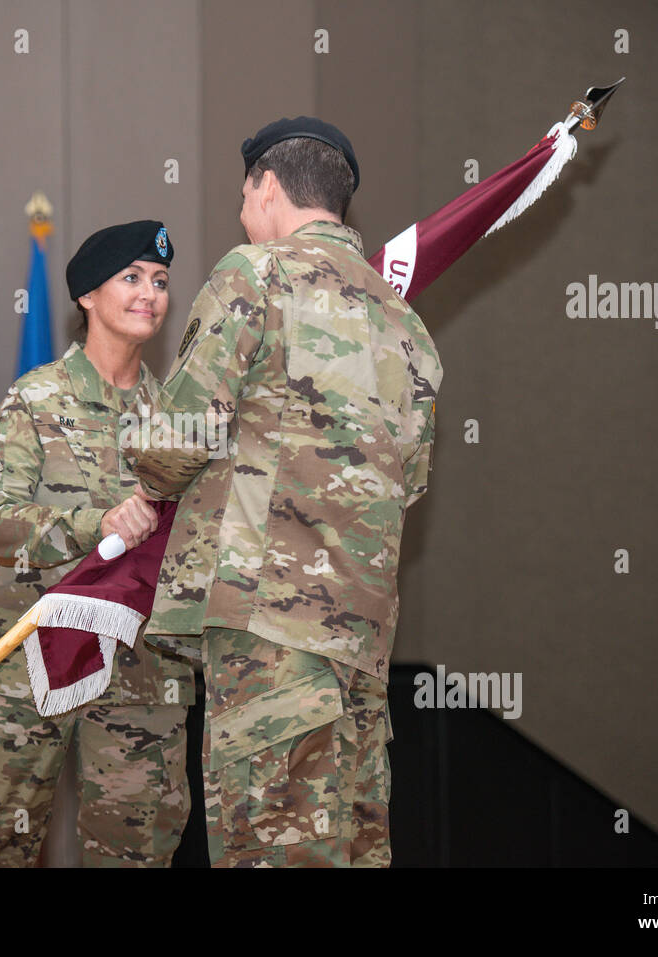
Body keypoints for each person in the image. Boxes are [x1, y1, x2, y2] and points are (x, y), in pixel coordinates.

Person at [126, 118, 443, 867]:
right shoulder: (408, 324)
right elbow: (412, 480)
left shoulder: (254, 275)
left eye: (244, 196)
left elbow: (176, 444)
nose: (242, 214)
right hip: (362, 652)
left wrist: (138, 451)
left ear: (268, 187)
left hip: (268, 638)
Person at [0, 220, 195, 867]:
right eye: (130, 278)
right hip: (25, 668)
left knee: (136, 853)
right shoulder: (35, 401)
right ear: (86, 297)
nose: (149, 293)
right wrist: (90, 525)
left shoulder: (178, 422)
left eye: (159, 281)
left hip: (139, 674)